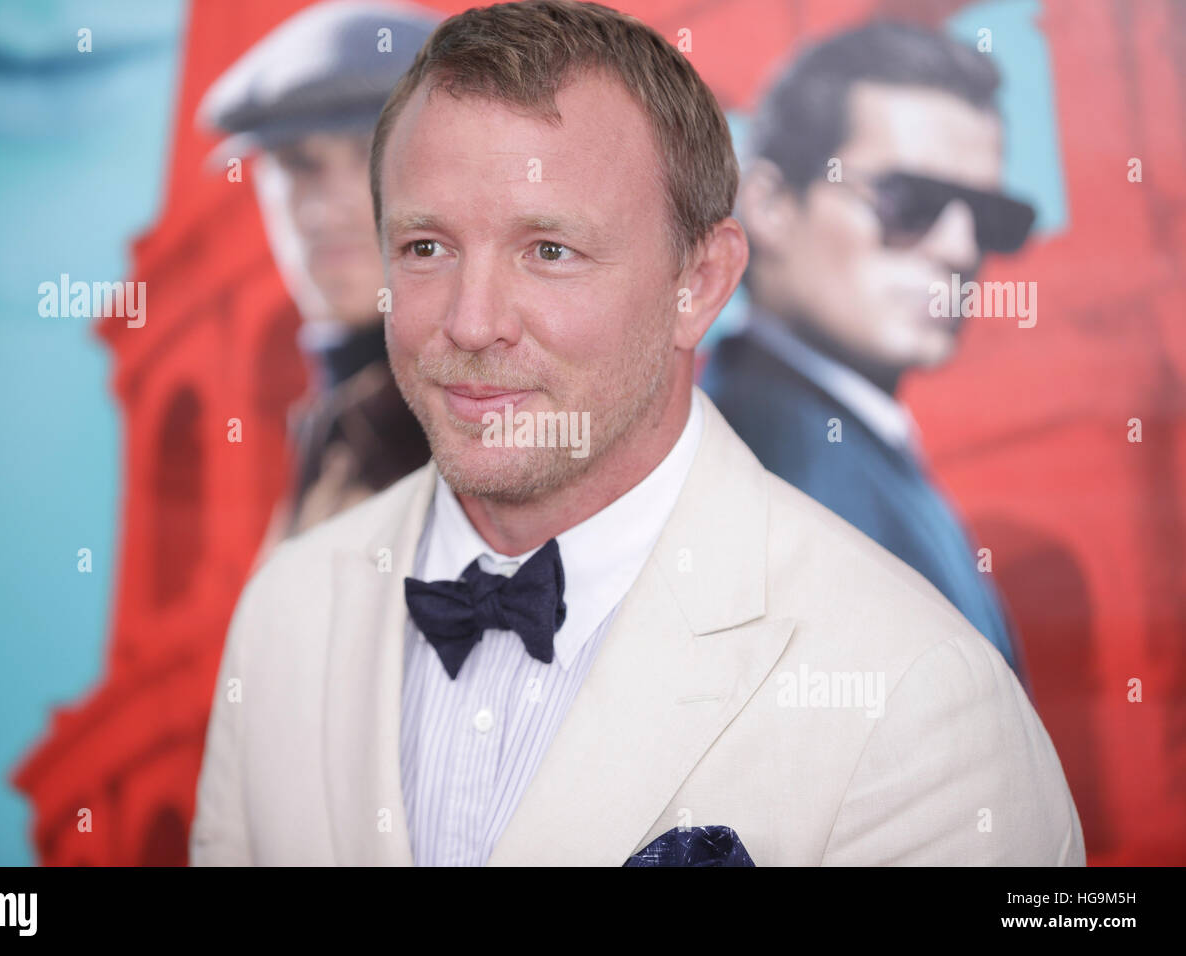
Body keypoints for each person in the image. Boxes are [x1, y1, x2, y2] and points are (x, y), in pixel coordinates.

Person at [190, 0, 1082, 866]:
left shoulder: (920, 696)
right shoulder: (282, 614)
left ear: (700, 282)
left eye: (550, 251)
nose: (472, 321)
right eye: (428, 247)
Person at [701, 21, 1035, 678]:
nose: (960, 248)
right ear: (767, 205)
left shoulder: (833, 447)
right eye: (909, 201)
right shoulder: (766, 471)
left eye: (990, 216)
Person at [198, 0, 438, 553]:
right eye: (297, 163)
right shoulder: (341, 424)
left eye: (373, 154)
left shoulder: (498, 429)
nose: (330, 209)